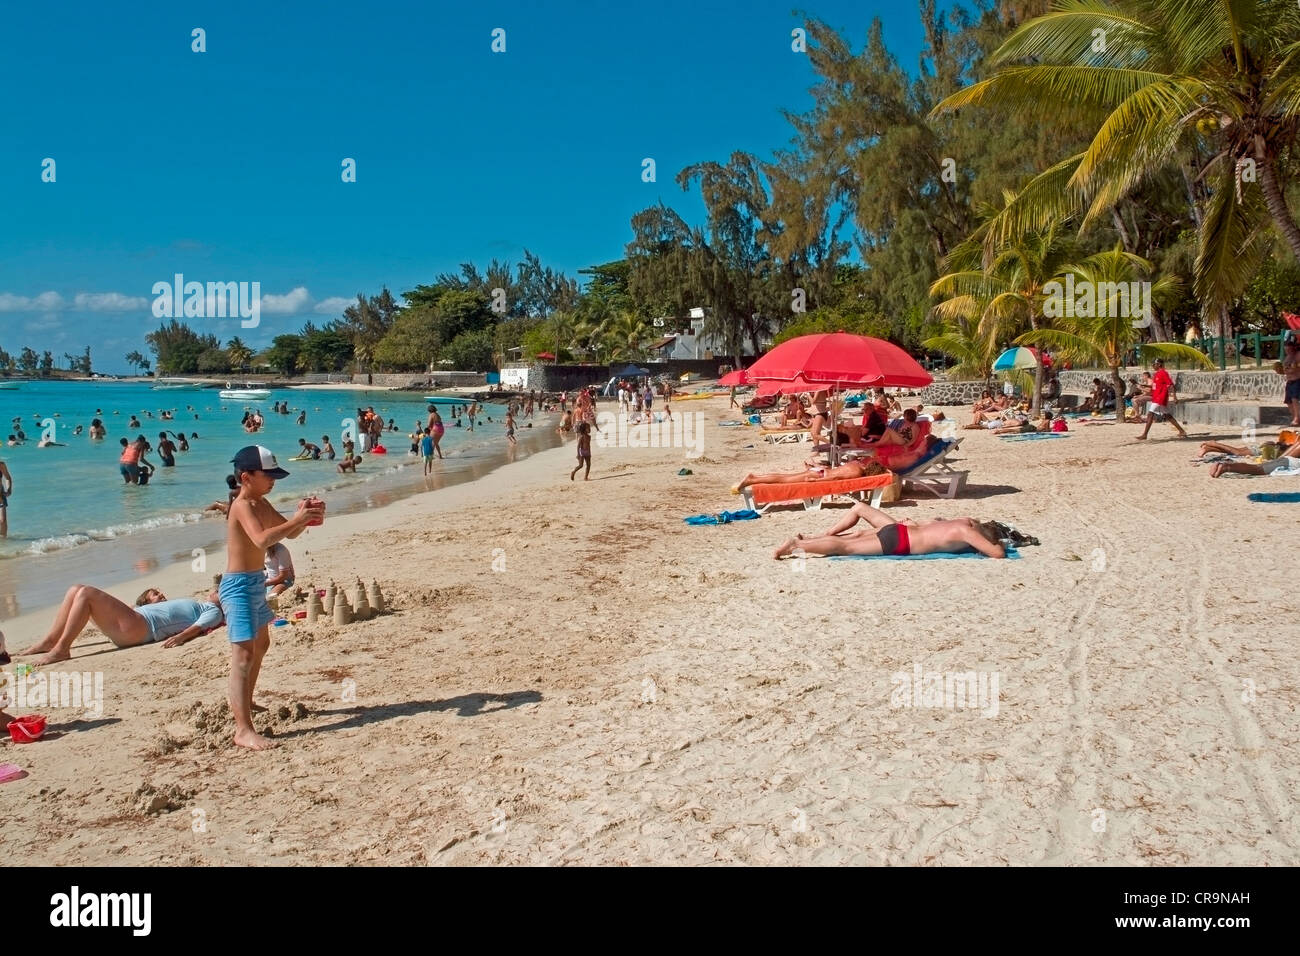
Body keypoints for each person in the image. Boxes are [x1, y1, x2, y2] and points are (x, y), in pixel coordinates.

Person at [222, 445, 322, 750]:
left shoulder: (260, 502)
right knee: (243, 655)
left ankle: (246, 702)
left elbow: (288, 534)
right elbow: (263, 539)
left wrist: (303, 518)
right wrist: (296, 520)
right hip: (237, 586)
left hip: (255, 582)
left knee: (261, 645)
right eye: (269, 475)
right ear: (246, 476)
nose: (274, 481)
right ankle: (242, 730)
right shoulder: (242, 506)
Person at [19, 585, 225, 664]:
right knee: (75, 590)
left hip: (142, 627)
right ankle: (51, 640)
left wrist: (180, 637)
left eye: (220, 590)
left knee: (86, 594)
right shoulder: (199, 603)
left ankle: (62, 649)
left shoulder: (213, 611)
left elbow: (199, 627)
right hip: (136, 620)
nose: (215, 589)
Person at [772, 504, 1006, 560]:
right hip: (901, 541)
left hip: (899, 529)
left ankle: (814, 538)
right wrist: (1000, 545)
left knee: (856, 534)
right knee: (847, 547)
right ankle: (797, 545)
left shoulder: (963, 521)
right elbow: (997, 554)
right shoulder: (966, 533)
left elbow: (933, 524)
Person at [731, 458, 886, 494]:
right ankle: (752, 479)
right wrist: (814, 479)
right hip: (819, 475)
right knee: (783, 479)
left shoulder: (856, 464)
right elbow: (835, 478)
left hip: (820, 470)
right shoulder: (857, 472)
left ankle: (754, 479)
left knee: (784, 477)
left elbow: (837, 472)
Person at [1137, 358, 1189, 439]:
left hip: (1160, 397)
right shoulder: (1157, 374)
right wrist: (1145, 386)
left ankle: (1145, 434)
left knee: (1150, 413)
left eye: (1154, 364)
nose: (1153, 366)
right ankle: (1182, 431)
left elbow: (1171, 385)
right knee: (1167, 415)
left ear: (1159, 364)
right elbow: (1156, 386)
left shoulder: (1163, 373)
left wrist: (1175, 397)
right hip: (1156, 397)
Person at [1279, 336, 1300, 426]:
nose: (1287, 351)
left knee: (1295, 399)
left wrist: (1293, 368)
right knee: (1288, 401)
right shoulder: (1287, 357)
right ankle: (1295, 417)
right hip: (1289, 381)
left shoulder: (1298, 355)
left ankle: (1297, 418)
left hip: (1297, 380)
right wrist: (1281, 370)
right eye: (1286, 350)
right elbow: (1285, 370)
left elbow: (1297, 367)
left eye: (1289, 349)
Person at [0, 458, 11, 538]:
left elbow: (7, 477)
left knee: (3, 520)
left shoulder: (1, 464)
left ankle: (4, 541)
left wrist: (9, 489)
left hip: (0, 495)